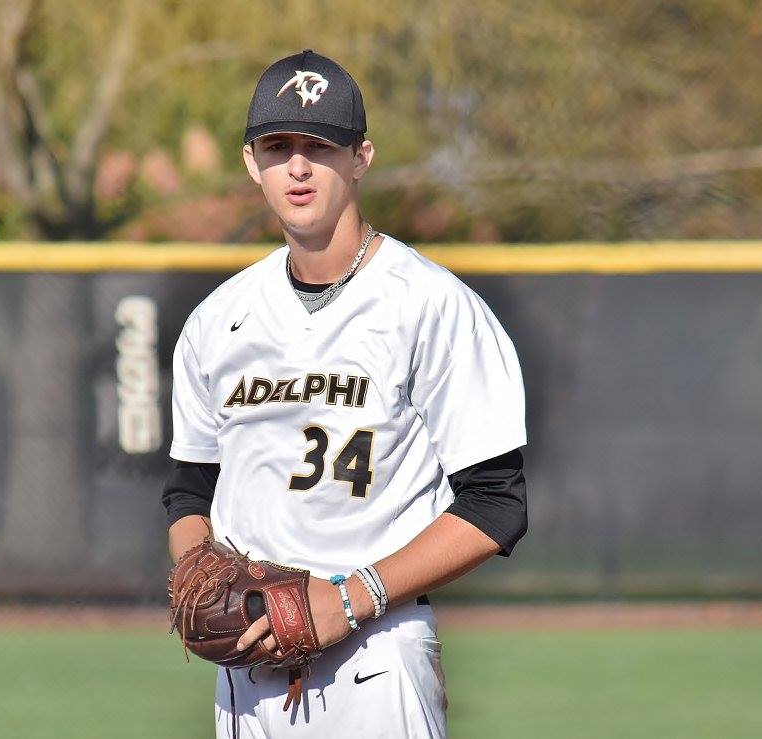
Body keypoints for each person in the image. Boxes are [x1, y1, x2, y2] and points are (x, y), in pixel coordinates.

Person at [162, 49, 528, 738]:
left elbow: (495, 505)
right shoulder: (218, 320)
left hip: (376, 653)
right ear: (251, 162)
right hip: (246, 665)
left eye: (318, 146)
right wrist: (198, 572)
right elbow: (188, 490)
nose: (296, 167)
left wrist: (348, 599)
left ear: (359, 157)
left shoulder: (430, 305)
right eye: (278, 146)